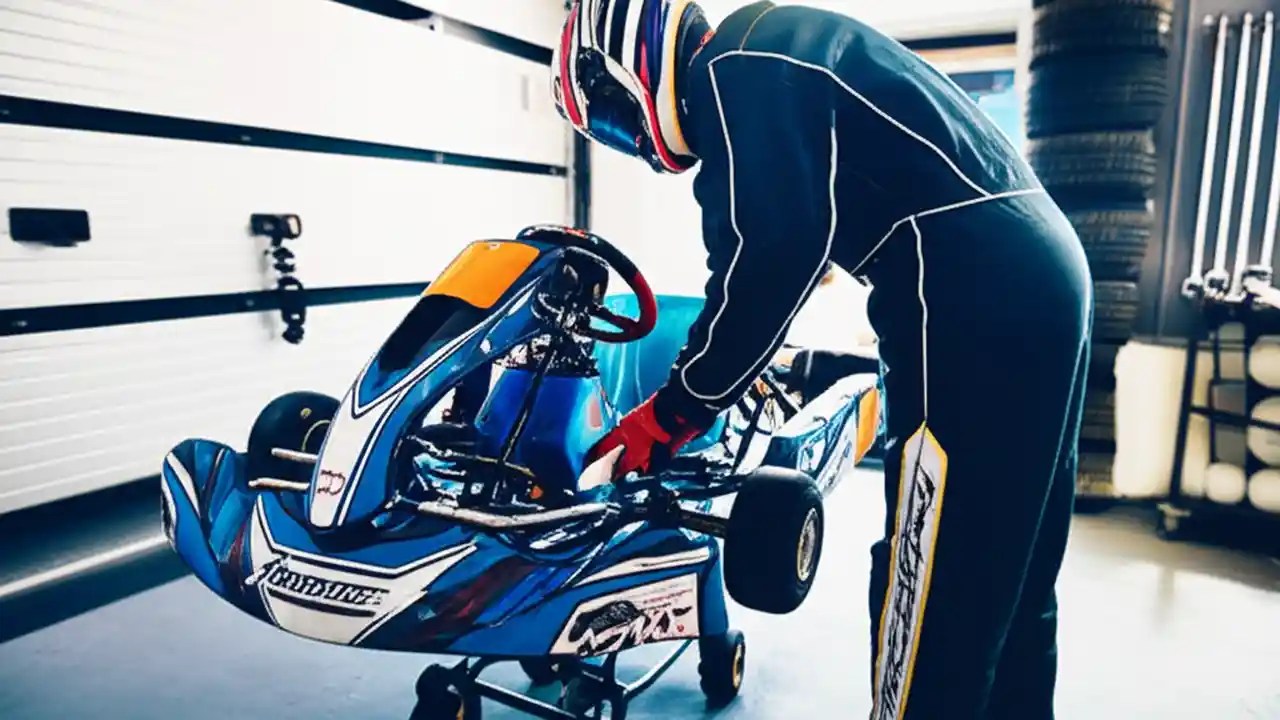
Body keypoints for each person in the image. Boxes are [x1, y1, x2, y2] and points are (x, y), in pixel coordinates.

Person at [551, 2, 1092, 719]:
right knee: (1012, 584)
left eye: (614, 115)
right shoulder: (779, 44)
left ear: (629, 61)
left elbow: (768, 256)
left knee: (933, 588)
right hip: (1049, 275)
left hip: (970, 295)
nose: (632, 140)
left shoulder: (736, 67)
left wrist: (674, 411)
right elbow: (808, 228)